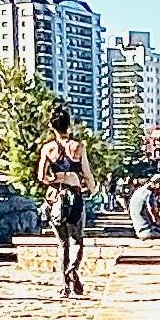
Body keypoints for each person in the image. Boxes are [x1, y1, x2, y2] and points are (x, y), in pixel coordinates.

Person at [36, 103, 94, 298]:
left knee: (62, 243)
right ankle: (73, 269)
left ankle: (64, 285)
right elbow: (86, 173)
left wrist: (52, 180)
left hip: (56, 196)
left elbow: (40, 175)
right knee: (77, 239)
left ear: (52, 127)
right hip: (74, 194)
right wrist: (91, 189)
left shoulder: (48, 149)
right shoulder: (78, 147)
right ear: (69, 126)